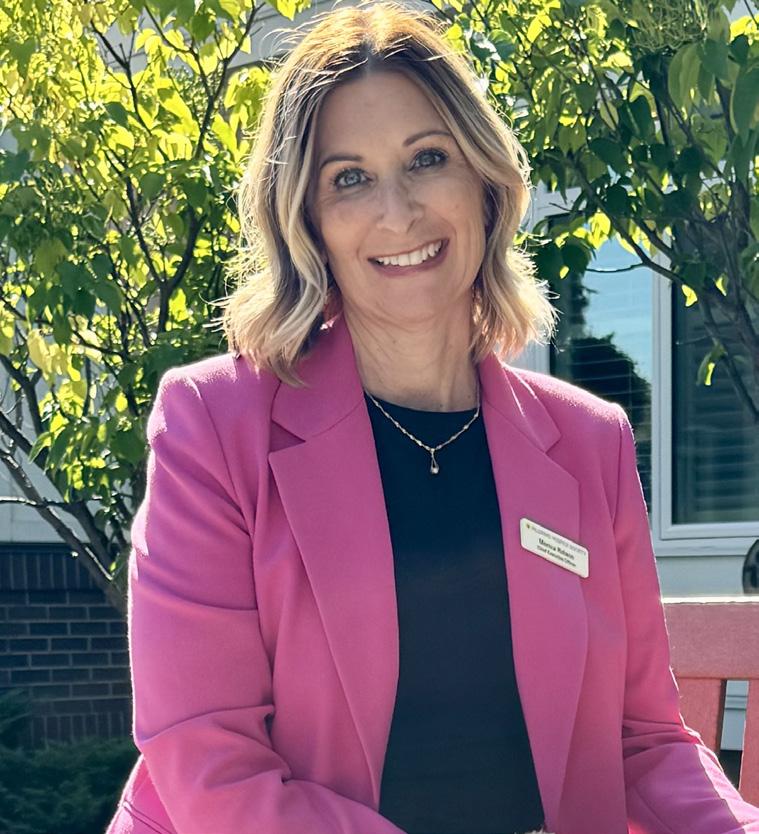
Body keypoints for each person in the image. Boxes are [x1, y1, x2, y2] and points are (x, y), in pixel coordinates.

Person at [105, 2, 759, 833]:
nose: (398, 211)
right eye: (348, 178)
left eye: (427, 159)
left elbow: (644, 741)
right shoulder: (215, 422)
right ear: (307, 219)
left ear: (484, 184)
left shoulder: (588, 441)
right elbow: (209, 761)